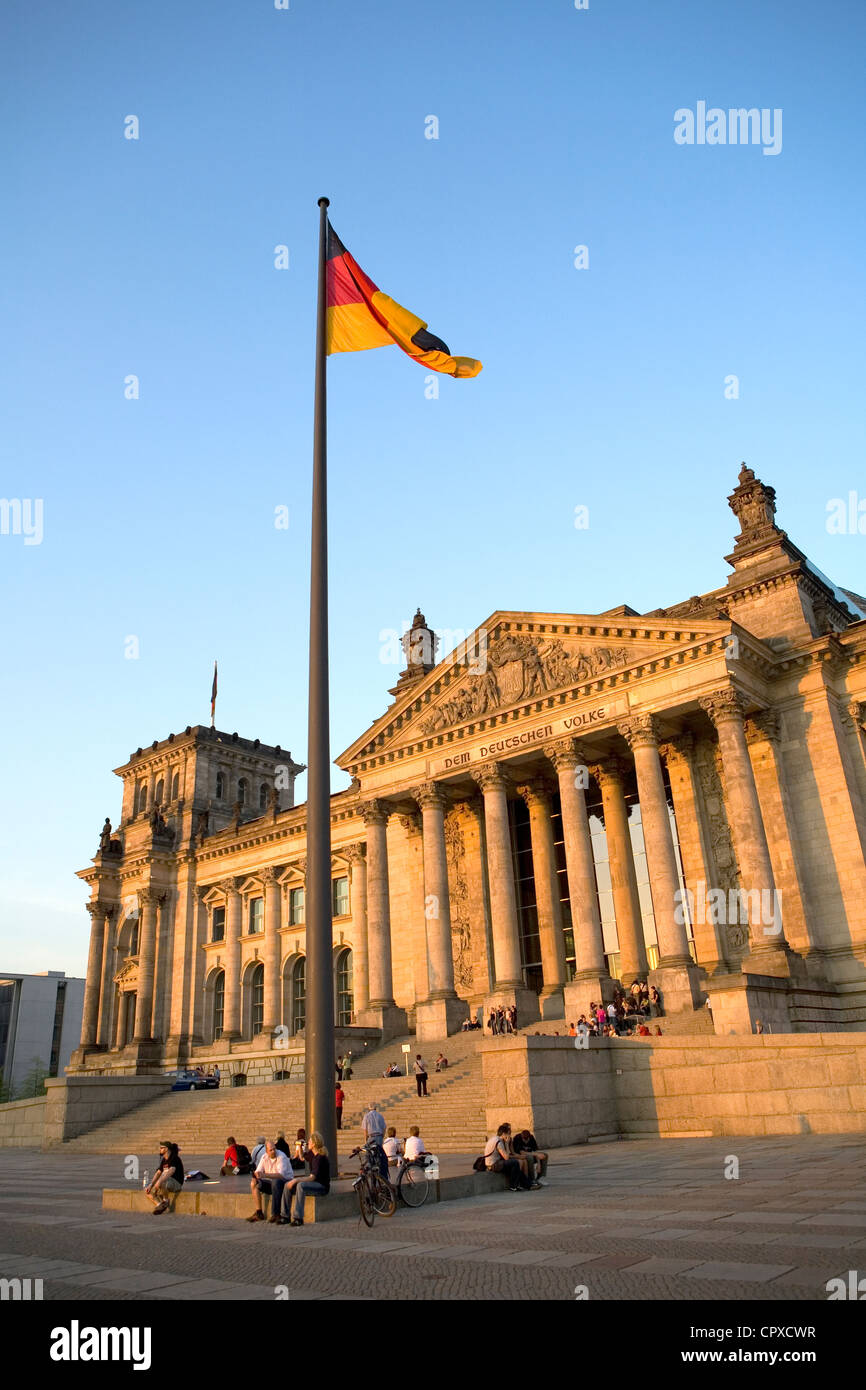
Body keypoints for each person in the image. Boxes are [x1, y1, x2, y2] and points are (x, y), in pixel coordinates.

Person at [282, 1131, 330, 1227]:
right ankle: (285, 1216)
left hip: (321, 1186)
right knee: (287, 1185)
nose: (308, 1143)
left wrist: (296, 1180)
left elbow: (312, 1178)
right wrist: (299, 1148)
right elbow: (303, 1158)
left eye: (310, 1141)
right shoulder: (313, 1154)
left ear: (314, 1144)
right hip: (314, 1183)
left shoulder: (320, 1158)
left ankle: (298, 1218)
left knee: (301, 1185)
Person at [247, 1139, 293, 1223]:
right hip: (271, 1183)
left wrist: (265, 1175)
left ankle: (276, 1214)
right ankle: (259, 1212)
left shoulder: (281, 1156)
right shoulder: (264, 1157)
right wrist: (256, 1175)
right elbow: (258, 1170)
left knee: (276, 1181)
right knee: (254, 1183)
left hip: (285, 1183)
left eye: (274, 1149)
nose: (273, 1151)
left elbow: (280, 1175)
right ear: (266, 1151)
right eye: (271, 1150)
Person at [483, 1123, 530, 1192]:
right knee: (515, 1163)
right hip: (493, 1165)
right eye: (508, 1134)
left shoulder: (494, 1138)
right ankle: (513, 1186)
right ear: (504, 1134)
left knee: (515, 1164)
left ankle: (526, 1184)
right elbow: (506, 1157)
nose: (509, 1136)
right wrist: (507, 1143)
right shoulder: (499, 1142)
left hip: (494, 1163)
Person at [146, 1140, 185, 1214]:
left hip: (176, 1183)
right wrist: (151, 1184)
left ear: (166, 1149)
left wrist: (160, 1181)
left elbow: (172, 1170)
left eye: (161, 1148)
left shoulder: (174, 1158)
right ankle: (160, 1205)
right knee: (148, 1191)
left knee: (163, 1181)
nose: (160, 1149)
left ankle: (166, 1201)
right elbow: (158, 1173)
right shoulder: (164, 1159)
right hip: (166, 1182)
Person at [362, 1101, 388, 1179]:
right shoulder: (380, 1116)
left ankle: (371, 1169)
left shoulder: (366, 1116)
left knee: (369, 1155)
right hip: (379, 1137)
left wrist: (365, 1139)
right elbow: (384, 1127)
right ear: (376, 1108)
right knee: (379, 1154)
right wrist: (382, 1136)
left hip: (371, 1137)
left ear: (369, 1108)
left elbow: (365, 1130)